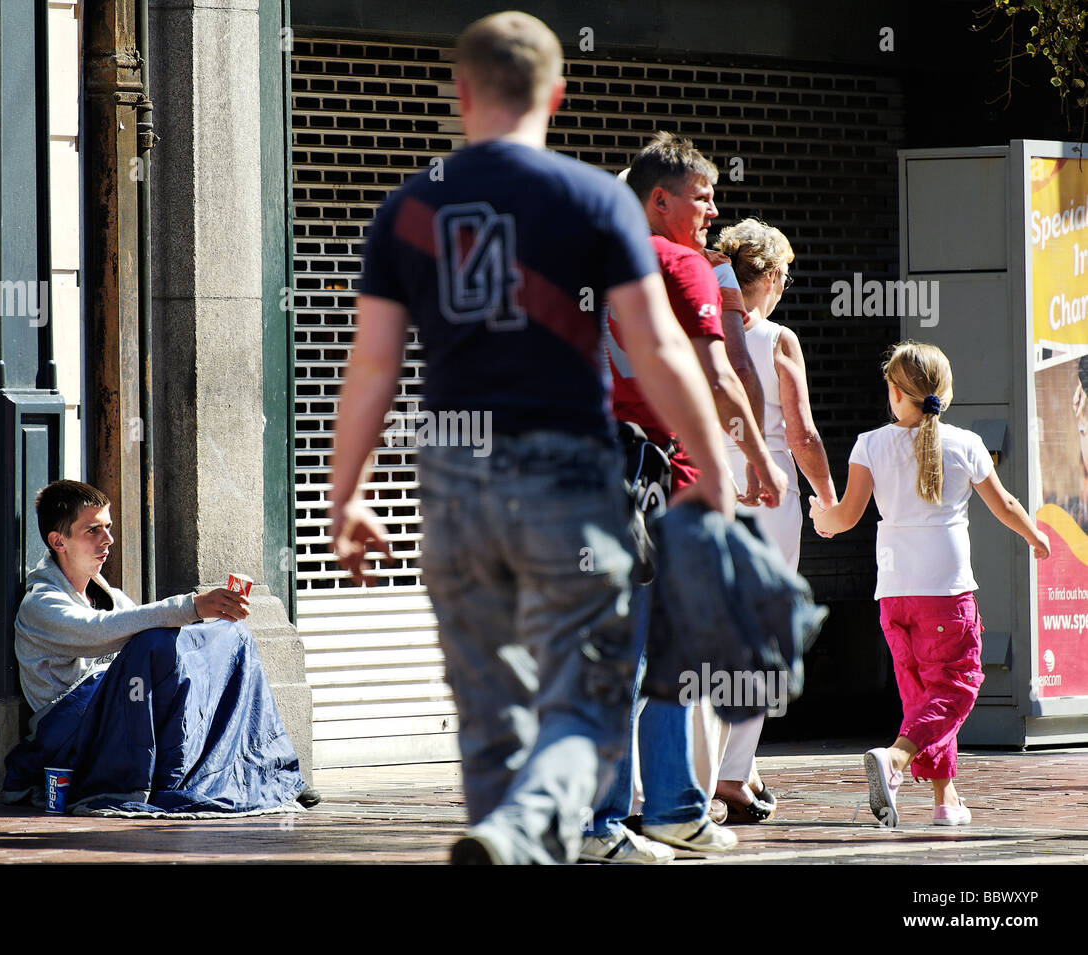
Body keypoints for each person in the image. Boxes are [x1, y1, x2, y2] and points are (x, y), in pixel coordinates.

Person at [329, 11, 733, 864]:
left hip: (453, 479)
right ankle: (530, 825)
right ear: (557, 90)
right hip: (569, 478)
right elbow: (659, 349)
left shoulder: (410, 204)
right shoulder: (592, 199)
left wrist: (348, 495)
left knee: (490, 706)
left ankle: (510, 830)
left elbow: (371, 370)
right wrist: (718, 469)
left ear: (461, 92)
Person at [585, 135, 789, 860]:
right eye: (700, 196)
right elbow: (723, 370)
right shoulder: (681, 265)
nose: (712, 209)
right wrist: (756, 458)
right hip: (639, 472)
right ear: (658, 200)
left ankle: (671, 806)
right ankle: (601, 822)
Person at [810, 342, 1050, 826]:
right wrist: (1035, 537)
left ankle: (945, 801)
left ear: (896, 395)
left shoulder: (869, 443)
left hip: (894, 594)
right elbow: (1004, 505)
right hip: (947, 594)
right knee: (959, 684)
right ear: (946, 392)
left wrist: (823, 518)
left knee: (924, 697)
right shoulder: (965, 443)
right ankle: (895, 760)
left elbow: (848, 515)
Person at [3, 480, 315, 815]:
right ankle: (162, 784)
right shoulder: (41, 604)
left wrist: (208, 626)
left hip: (118, 718)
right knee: (154, 643)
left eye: (108, 527)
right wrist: (191, 607)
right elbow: (98, 631)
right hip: (71, 736)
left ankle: (263, 768)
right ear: (58, 541)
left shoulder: (110, 597)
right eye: (93, 530)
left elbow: (135, 624)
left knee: (229, 637)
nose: (108, 540)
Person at [712, 217, 838, 822]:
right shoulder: (777, 339)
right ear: (762, 276)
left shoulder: (703, 329)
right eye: (782, 275)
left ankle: (732, 765)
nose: (784, 287)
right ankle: (731, 776)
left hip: (712, 481)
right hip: (768, 490)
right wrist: (830, 500)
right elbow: (803, 432)